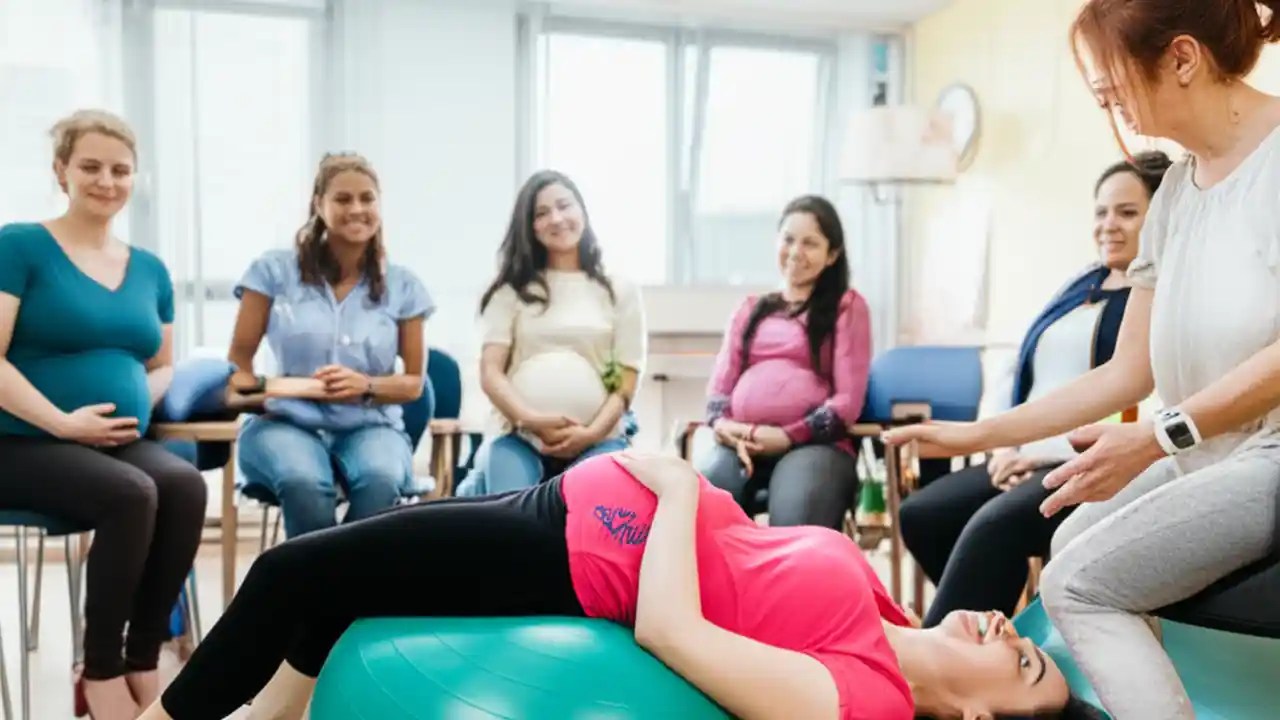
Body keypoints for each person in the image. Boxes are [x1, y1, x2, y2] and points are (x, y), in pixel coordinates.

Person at [886, 1, 1280, 717]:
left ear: (1183, 59)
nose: (1108, 104)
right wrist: (976, 437)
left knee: (1077, 582)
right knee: (1068, 532)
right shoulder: (1178, 198)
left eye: (1112, 87)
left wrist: (1162, 435)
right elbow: (1128, 374)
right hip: (1205, 452)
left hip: (1269, 454)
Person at [140, 452, 1106, 720]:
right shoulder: (893, 621)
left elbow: (673, 632)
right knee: (339, 588)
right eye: (1024, 635)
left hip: (576, 551)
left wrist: (685, 488)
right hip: (585, 508)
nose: (1006, 630)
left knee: (286, 572)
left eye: (1021, 665)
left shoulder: (864, 700)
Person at [899, 151, 1172, 627]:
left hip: (1087, 460)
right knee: (923, 513)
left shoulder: (1158, 298)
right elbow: (1029, 373)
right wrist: (1011, 445)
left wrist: (1044, 456)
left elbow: (1133, 399)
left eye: (1127, 213)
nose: (1109, 224)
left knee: (992, 528)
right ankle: (993, 627)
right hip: (1028, 450)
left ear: (1160, 216)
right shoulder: (1082, 283)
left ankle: (950, 663)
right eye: (1101, 212)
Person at [0, 109, 207, 719]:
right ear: (61, 170)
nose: (107, 180)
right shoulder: (19, 246)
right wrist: (64, 422)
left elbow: (162, 364)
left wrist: (137, 401)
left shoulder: (150, 269)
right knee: (132, 494)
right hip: (20, 441)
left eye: (121, 170)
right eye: (90, 166)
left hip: (110, 440)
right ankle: (100, 672)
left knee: (185, 485)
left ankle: (144, 658)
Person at [226, 152, 434, 539]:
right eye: (342, 199)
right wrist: (267, 391)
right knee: (306, 484)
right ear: (318, 205)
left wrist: (366, 385)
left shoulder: (404, 286)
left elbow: (413, 384)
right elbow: (237, 362)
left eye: (367, 198)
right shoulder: (271, 272)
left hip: (370, 425)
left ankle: (343, 594)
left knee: (380, 480)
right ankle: (313, 594)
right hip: (285, 422)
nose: (357, 209)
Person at [456, 169, 645, 496]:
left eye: (564, 205)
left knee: (593, 518)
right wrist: (529, 419)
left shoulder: (620, 290)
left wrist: (591, 433)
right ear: (528, 227)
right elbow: (491, 372)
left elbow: (628, 380)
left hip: (599, 438)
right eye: (541, 213)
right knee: (512, 517)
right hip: (518, 436)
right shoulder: (509, 291)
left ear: (582, 210)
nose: (556, 218)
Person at [694, 195, 871, 530]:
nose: (795, 252)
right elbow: (718, 393)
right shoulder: (749, 309)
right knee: (699, 508)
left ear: (832, 255)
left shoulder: (847, 307)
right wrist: (726, 428)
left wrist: (787, 436)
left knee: (794, 524)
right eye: (788, 239)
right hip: (739, 444)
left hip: (816, 445)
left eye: (810, 243)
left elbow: (847, 402)